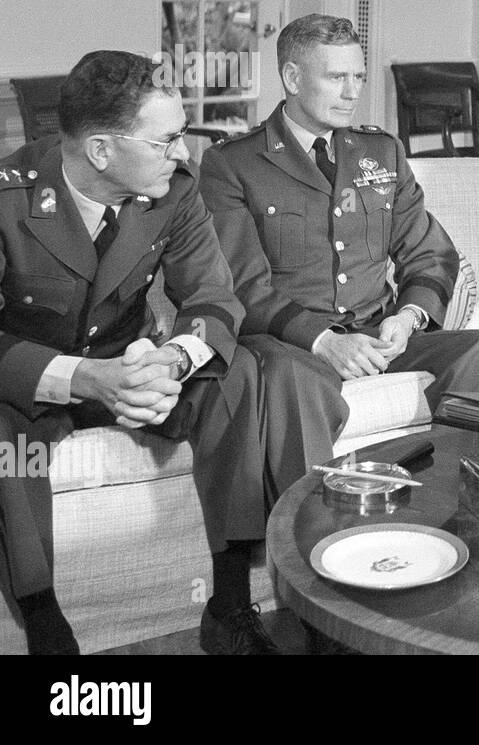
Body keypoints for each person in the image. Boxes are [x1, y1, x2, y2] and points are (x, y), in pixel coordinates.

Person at [0, 51, 300, 655]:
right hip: (40, 385)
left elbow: (215, 298)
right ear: (102, 151)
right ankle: (43, 621)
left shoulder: (173, 192)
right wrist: (87, 378)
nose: (185, 154)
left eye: (182, 135)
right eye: (167, 141)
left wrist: (172, 363)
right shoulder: (9, 198)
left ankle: (231, 600)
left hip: (135, 369)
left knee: (236, 370)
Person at [198, 14, 479, 478]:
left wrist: (407, 319)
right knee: (292, 381)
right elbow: (240, 284)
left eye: (359, 77)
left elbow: (429, 253)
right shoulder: (233, 164)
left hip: (380, 333)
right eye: (336, 77)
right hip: (295, 344)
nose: (352, 92)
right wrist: (323, 340)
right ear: (292, 77)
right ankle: (311, 534)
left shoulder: (381, 152)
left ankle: (467, 504)